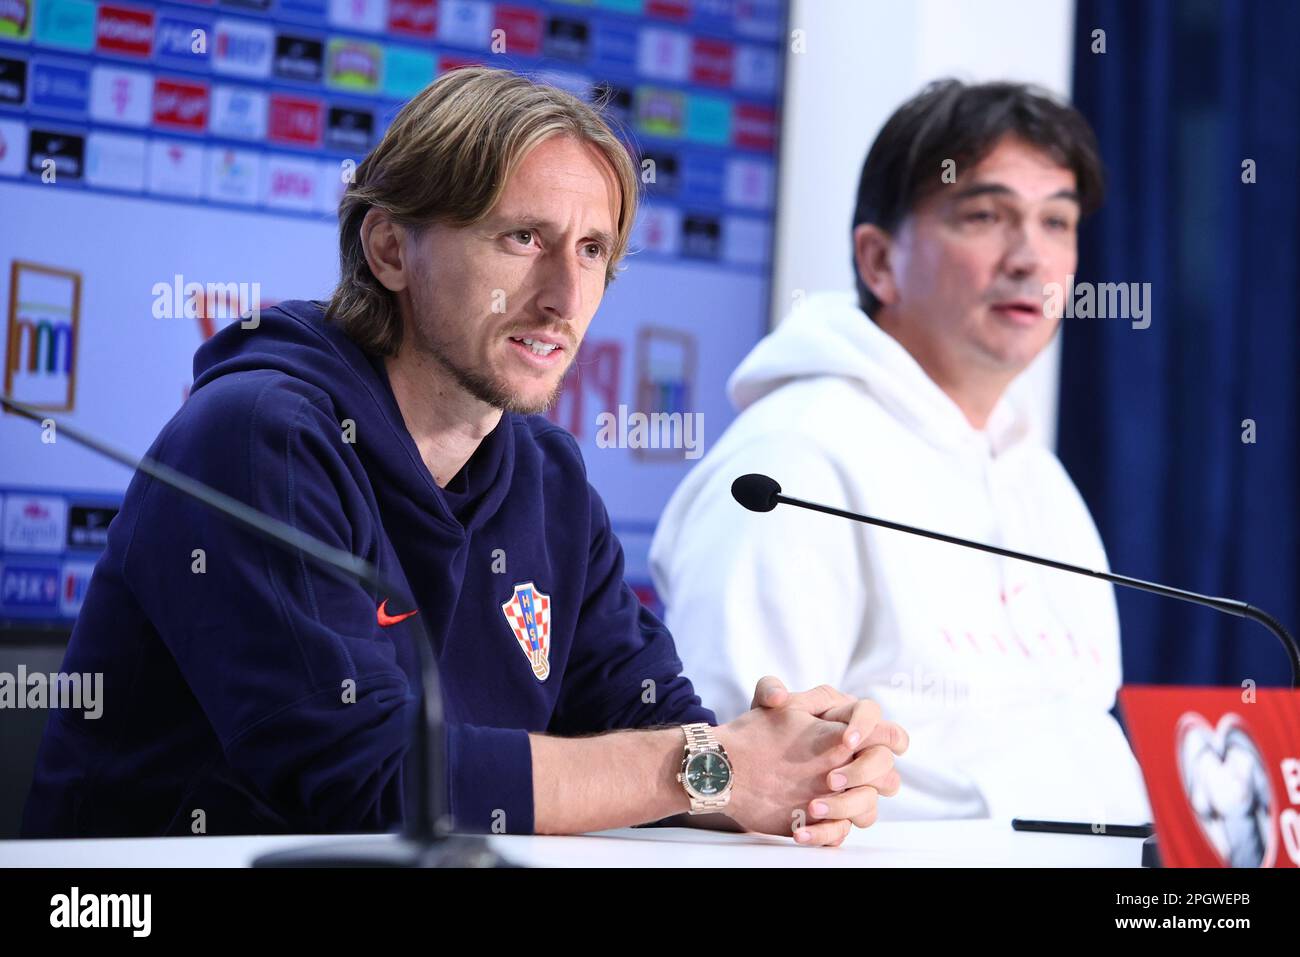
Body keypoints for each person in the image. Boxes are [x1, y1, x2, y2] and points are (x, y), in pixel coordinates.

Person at [22, 67, 906, 846]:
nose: (565, 296)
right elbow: (367, 781)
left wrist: (798, 766)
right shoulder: (256, 438)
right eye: (522, 238)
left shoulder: (549, 479)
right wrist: (707, 767)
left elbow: (647, 724)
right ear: (389, 247)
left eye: (592, 251)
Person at [650, 79, 1150, 825]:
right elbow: (734, 776)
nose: (1029, 258)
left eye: (1057, 221)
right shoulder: (790, 464)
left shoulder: (1040, 479)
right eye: (986, 215)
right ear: (879, 261)